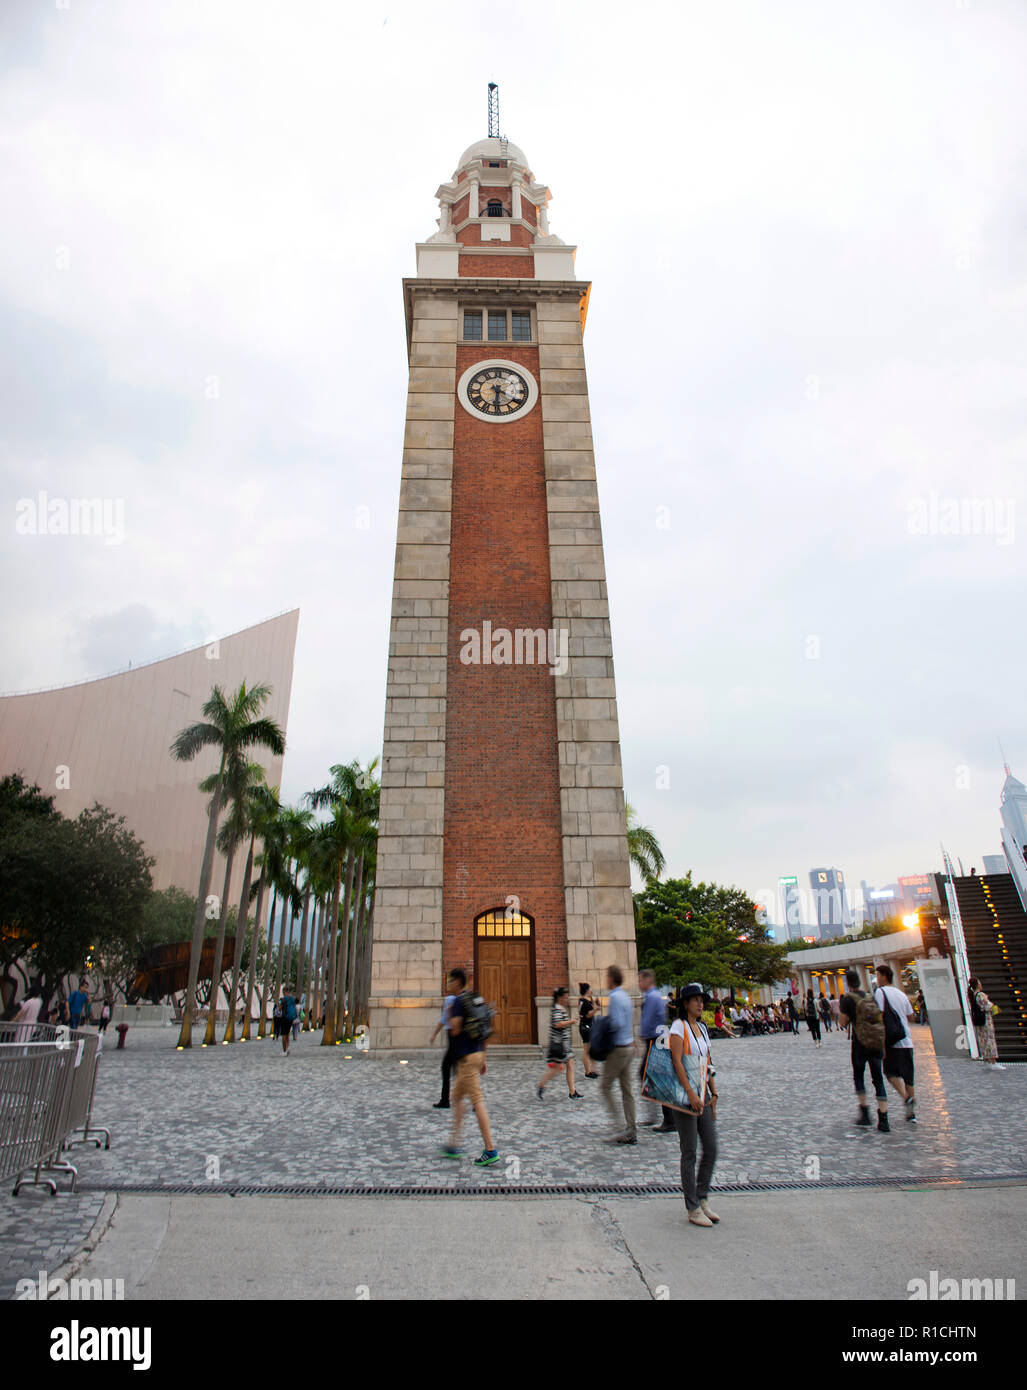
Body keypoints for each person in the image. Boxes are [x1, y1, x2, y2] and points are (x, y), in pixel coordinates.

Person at [668, 983, 720, 1227]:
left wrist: (714, 1093)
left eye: (702, 1000)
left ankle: (702, 1197)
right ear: (685, 1004)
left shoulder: (702, 1028)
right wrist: (690, 1093)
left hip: (704, 1096)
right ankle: (692, 1207)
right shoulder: (678, 1027)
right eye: (695, 1000)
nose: (700, 1004)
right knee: (689, 1151)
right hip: (684, 1096)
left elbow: (707, 1062)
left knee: (710, 1147)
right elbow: (677, 1062)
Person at [439, 968, 499, 1166]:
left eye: (450, 980)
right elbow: (486, 1028)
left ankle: (490, 1149)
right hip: (477, 1052)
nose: (448, 984)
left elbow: (455, 1030)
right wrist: (483, 1057)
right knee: (456, 1097)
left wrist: (449, 1015)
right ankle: (454, 1143)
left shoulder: (457, 1002)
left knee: (477, 1100)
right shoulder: (476, 998)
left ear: (457, 982)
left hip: (465, 1057)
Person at [838, 968, 889, 1131]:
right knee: (878, 1079)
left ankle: (865, 1113)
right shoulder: (870, 997)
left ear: (848, 983)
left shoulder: (847, 999)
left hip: (859, 1043)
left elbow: (843, 1023)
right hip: (875, 1042)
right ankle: (884, 1118)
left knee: (859, 1077)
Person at [874, 964, 916, 1121]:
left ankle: (906, 1098)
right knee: (908, 1077)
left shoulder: (880, 992)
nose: (877, 979)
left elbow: (880, 1017)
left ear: (884, 976)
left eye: (878, 976)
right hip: (907, 1040)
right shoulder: (901, 993)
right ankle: (911, 1114)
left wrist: (881, 1043)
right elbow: (911, 1017)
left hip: (892, 1042)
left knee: (890, 1073)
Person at [600, 964, 637, 1145]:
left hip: (618, 1049)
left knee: (605, 1086)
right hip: (629, 1047)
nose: (606, 980)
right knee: (627, 1091)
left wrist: (604, 1024)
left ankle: (619, 1127)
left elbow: (617, 1023)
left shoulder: (614, 997)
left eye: (607, 977)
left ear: (611, 979)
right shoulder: (626, 995)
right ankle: (631, 1129)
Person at [637, 968, 674, 1131]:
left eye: (640, 980)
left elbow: (648, 1020)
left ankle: (667, 1118)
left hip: (654, 1040)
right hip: (659, 1040)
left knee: (652, 1077)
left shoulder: (651, 997)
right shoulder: (655, 996)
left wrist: (641, 1035)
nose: (639, 983)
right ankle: (663, 1116)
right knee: (654, 1077)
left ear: (647, 980)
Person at [537, 987, 582, 1100]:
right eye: (565, 997)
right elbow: (558, 1024)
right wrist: (571, 1021)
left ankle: (572, 1091)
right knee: (557, 1068)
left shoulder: (560, 1008)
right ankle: (541, 1085)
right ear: (560, 997)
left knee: (570, 1065)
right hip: (559, 1044)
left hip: (564, 1044)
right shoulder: (557, 1009)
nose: (567, 999)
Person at [967, 977, 1004, 1069]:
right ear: (977, 984)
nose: (981, 984)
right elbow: (988, 1006)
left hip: (979, 1021)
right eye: (979, 982)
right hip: (985, 1020)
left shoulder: (974, 995)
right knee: (989, 1039)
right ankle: (993, 1061)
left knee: (983, 1039)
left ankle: (987, 1060)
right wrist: (996, 1008)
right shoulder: (981, 994)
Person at [430, 987, 458, 1108]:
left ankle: (445, 1100)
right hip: (459, 1039)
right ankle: (475, 1102)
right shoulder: (462, 999)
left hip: (453, 1038)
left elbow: (443, 1020)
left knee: (447, 1068)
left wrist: (434, 1034)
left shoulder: (450, 1000)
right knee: (461, 1072)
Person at [579, 983, 600, 1078]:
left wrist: (592, 999)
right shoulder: (584, 1002)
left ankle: (592, 1070)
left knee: (590, 1049)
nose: (591, 990)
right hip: (586, 1026)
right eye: (590, 989)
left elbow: (594, 1007)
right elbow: (588, 1015)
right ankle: (588, 1071)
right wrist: (595, 1010)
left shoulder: (584, 1001)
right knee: (587, 1050)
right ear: (587, 990)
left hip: (586, 1026)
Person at [277, 987, 297, 1055]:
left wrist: (279, 1009)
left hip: (285, 1018)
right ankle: (288, 1048)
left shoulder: (284, 999)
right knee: (287, 1033)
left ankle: (284, 1051)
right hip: (291, 1019)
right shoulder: (292, 999)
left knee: (283, 1034)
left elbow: (279, 1009)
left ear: (284, 991)